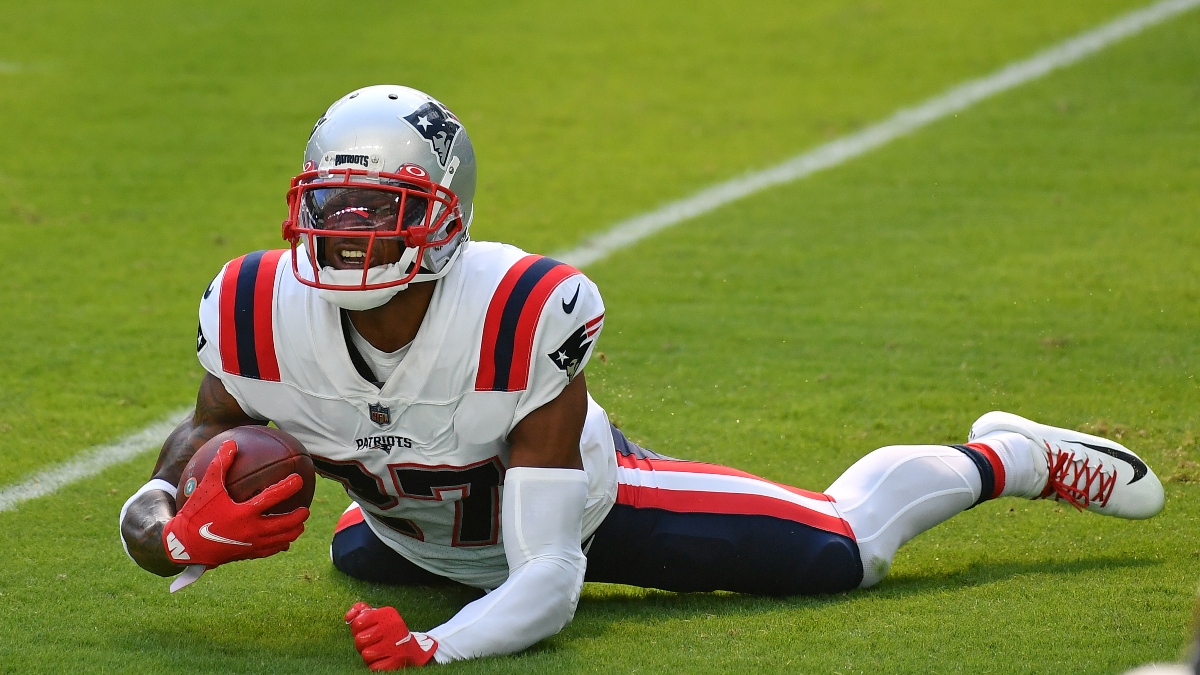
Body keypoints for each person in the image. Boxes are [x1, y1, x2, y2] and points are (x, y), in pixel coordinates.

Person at [119, 85, 1166, 669]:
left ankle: (1007, 455)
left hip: (575, 515)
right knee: (372, 548)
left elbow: (549, 577)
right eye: (331, 206)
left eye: (375, 208)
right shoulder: (255, 307)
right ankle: (396, 537)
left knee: (843, 553)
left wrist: (435, 652)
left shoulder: (522, 310)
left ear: (443, 216)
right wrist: (162, 519)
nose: (345, 236)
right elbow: (202, 434)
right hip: (403, 525)